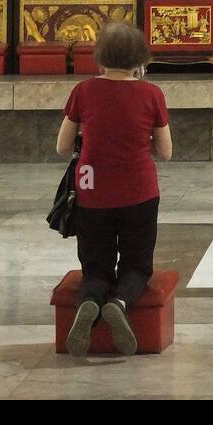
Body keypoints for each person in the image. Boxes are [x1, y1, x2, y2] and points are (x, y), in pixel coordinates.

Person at [55, 22, 173, 357]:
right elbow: (166, 151)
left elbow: (63, 146)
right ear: (139, 58)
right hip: (139, 190)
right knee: (137, 265)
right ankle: (119, 303)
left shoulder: (83, 91)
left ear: (100, 57)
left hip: (92, 191)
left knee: (96, 266)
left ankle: (91, 299)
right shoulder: (151, 94)